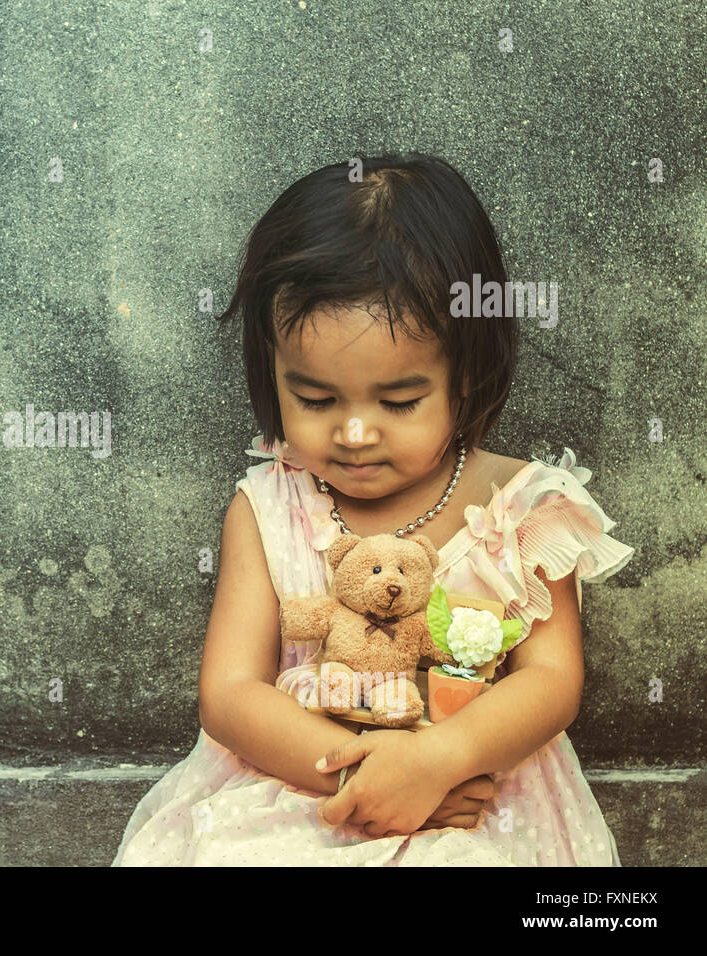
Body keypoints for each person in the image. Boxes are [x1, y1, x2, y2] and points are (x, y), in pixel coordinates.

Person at [111, 153, 634, 865]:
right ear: (273, 374)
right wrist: (365, 772)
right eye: (316, 399)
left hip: (476, 791)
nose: (354, 433)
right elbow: (231, 692)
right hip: (305, 780)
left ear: (469, 371)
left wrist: (438, 762)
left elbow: (551, 681)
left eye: (398, 402)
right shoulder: (269, 508)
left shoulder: (523, 508)